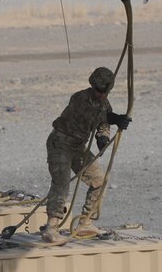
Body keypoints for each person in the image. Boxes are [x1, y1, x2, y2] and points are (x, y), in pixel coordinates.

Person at [41, 67, 132, 243]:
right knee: (61, 184)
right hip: (60, 143)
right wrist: (113, 118)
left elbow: (103, 124)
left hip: (78, 147)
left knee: (99, 180)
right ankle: (51, 229)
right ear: (92, 85)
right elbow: (91, 115)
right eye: (98, 90)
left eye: (105, 91)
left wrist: (102, 138)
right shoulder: (79, 98)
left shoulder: (105, 104)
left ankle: (85, 223)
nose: (101, 95)